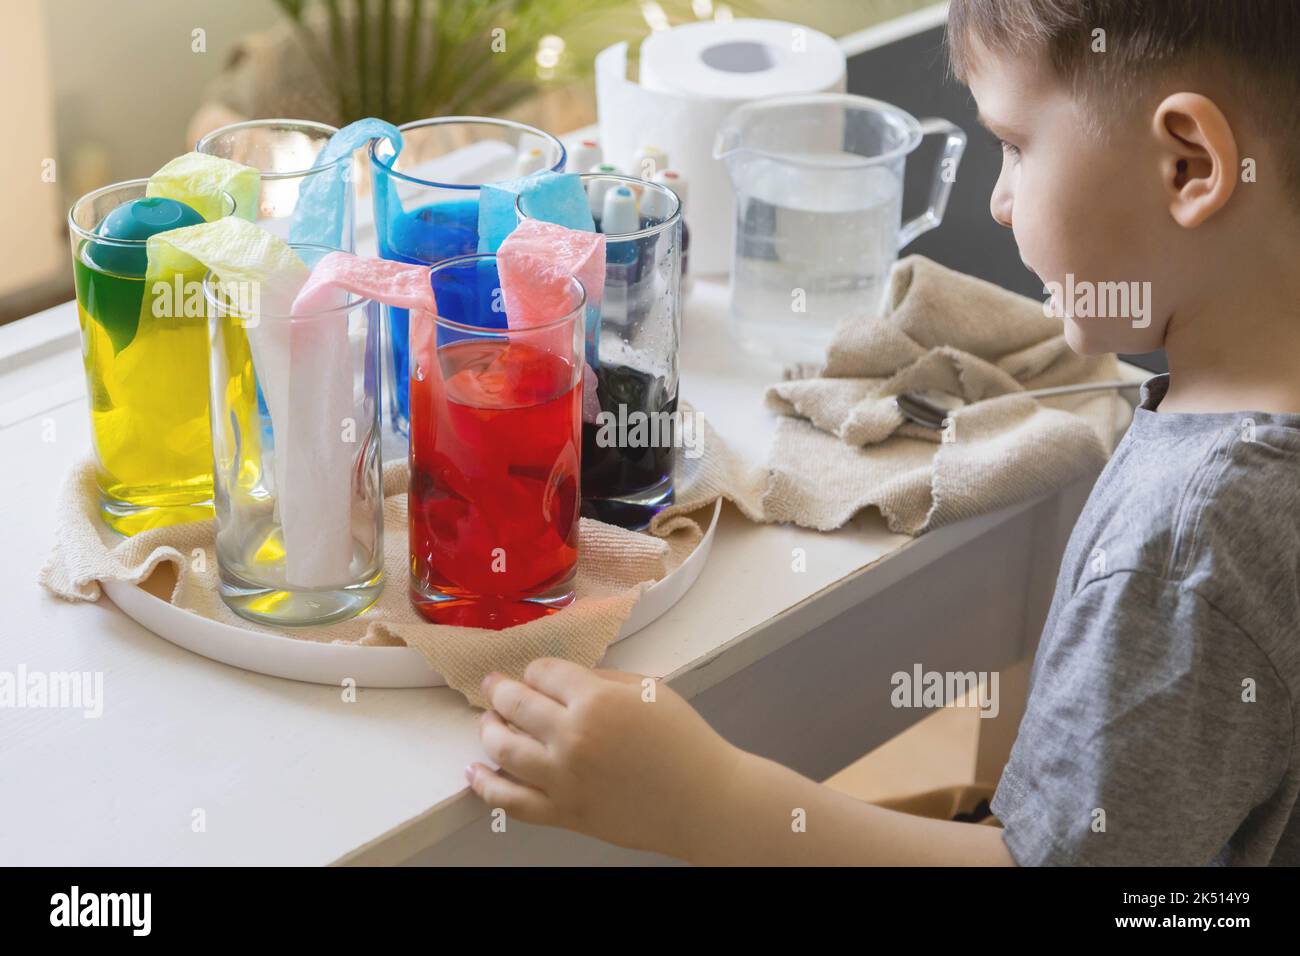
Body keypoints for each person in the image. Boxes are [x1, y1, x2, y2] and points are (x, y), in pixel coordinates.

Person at [465, 0, 1300, 865]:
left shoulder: (1189, 543)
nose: (1001, 202)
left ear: (1189, 167)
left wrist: (705, 803)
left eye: (1015, 146)